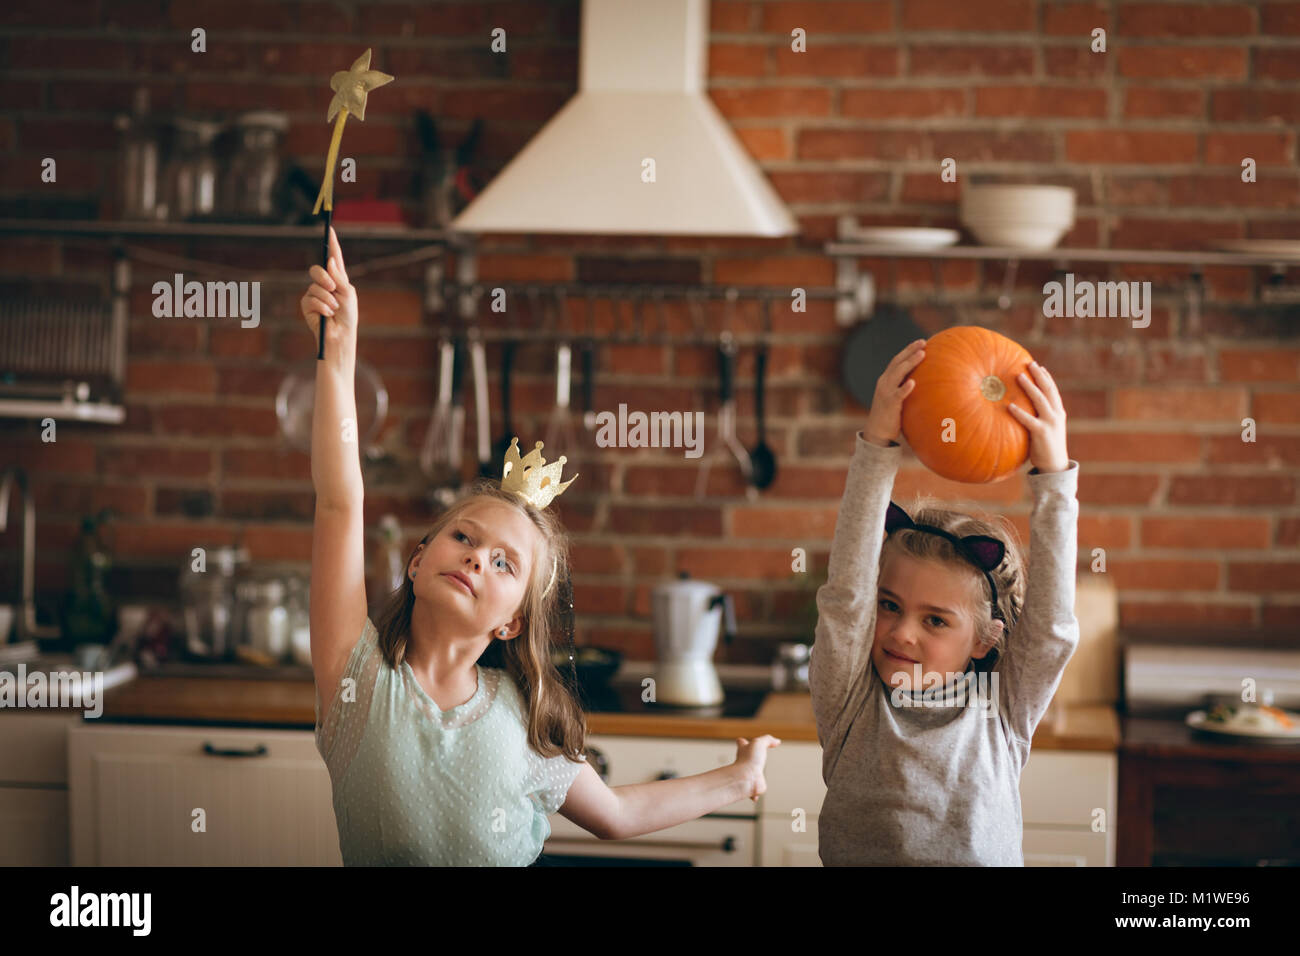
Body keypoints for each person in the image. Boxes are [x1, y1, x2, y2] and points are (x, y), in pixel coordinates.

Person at [301, 227, 779, 865]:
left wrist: (738, 777)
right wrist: (339, 357)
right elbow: (340, 501)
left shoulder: (522, 719)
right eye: (464, 538)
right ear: (417, 562)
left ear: (513, 621)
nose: (476, 557)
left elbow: (617, 814)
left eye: (504, 563)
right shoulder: (355, 679)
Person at [811, 338, 1079, 865]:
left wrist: (1053, 480)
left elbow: (1050, 629)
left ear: (984, 640)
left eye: (935, 620)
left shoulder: (1002, 707)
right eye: (889, 605)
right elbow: (845, 598)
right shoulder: (851, 700)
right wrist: (877, 445)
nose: (902, 632)